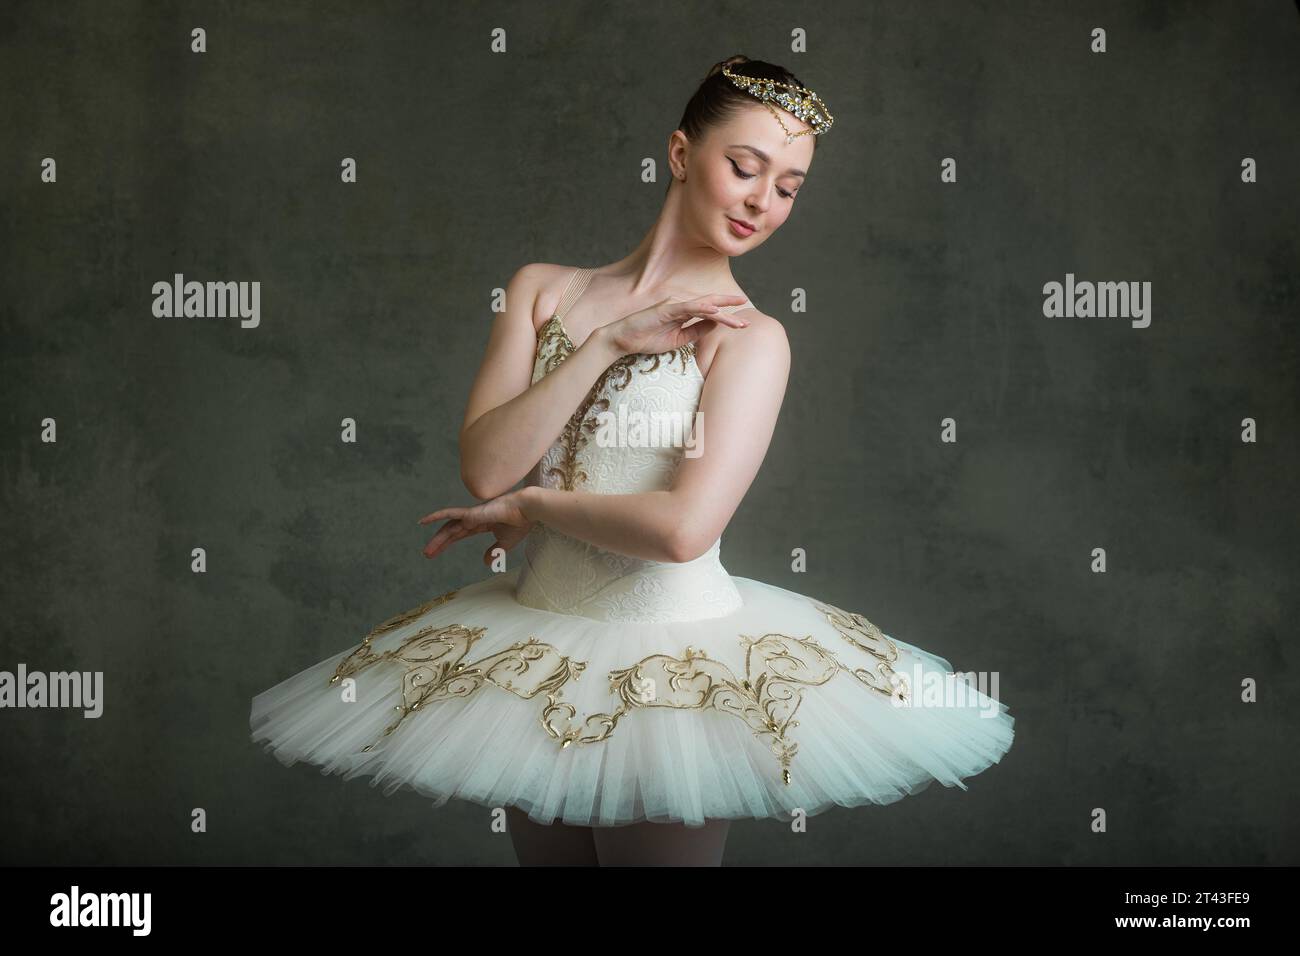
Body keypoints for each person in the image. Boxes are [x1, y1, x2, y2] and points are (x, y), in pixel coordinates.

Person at [250, 54, 1015, 867]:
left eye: (788, 187)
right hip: (532, 650)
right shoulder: (545, 291)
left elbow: (685, 529)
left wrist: (534, 509)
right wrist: (607, 343)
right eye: (745, 168)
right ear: (682, 155)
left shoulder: (750, 339)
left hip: (673, 664)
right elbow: (486, 467)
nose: (763, 201)